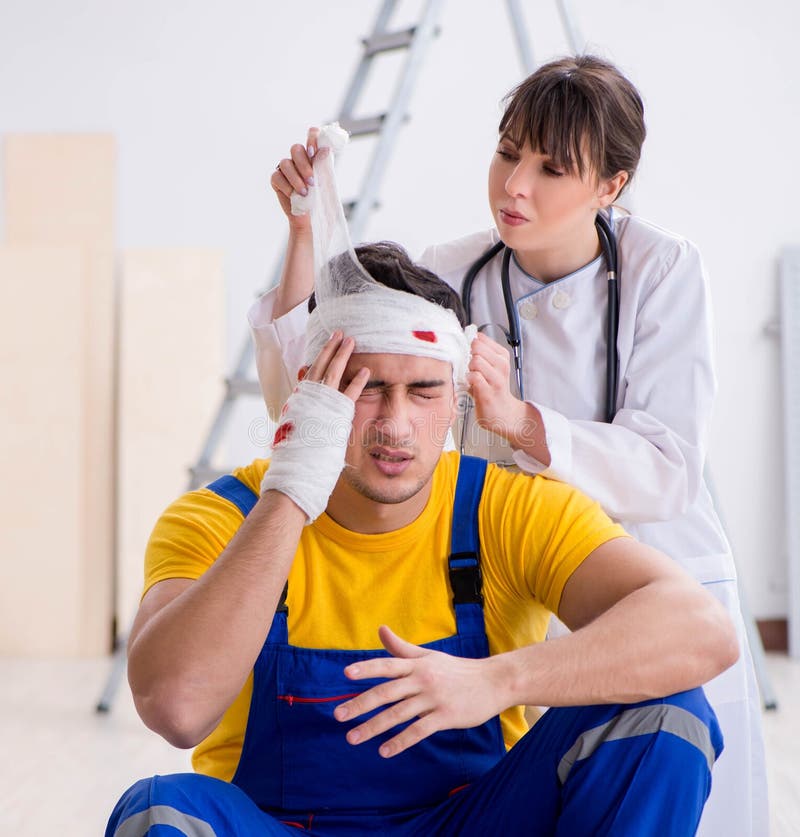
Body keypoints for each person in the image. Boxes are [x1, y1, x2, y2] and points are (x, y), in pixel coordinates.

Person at [254, 56, 768, 836]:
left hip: (652, 576)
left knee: (663, 775)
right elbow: (311, 387)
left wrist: (521, 421)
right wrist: (303, 227)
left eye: (552, 168)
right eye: (508, 153)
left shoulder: (665, 269)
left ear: (612, 187)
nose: (513, 186)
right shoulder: (452, 268)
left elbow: (668, 471)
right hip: (518, 580)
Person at [107, 240, 738, 836]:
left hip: (477, 822)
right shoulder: (219, 519)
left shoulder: (503, 509)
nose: (396, 425)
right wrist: (293, 486)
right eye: (366, 388)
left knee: (665, 713)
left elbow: (701, 630)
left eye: (424, 390)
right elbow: (176, 711)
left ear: (457, 394)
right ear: (314, 385)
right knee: (160, 810)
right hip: (276, 824)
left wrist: (497, 681)